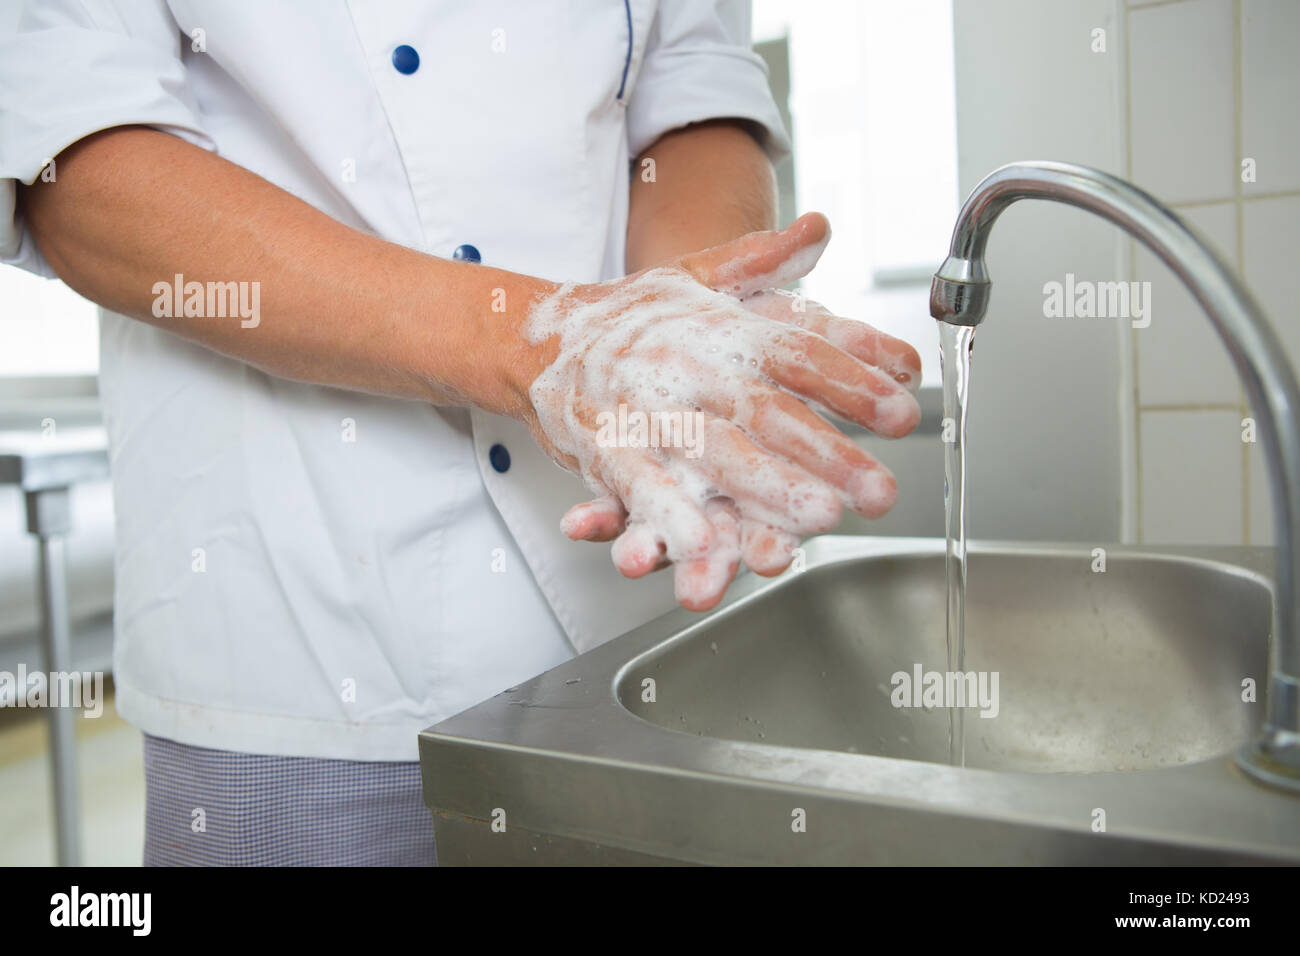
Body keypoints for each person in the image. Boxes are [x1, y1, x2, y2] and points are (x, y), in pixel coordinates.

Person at [0, 0, 921, 865]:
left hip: (636, 593)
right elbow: (72, 156)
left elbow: (693, 89)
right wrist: (539, 342)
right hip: (307, 625)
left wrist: (671, 335)